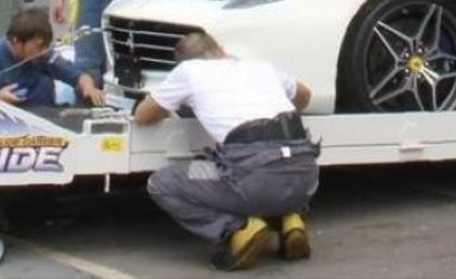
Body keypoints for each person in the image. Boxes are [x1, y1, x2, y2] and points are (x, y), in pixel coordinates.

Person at [134, 31, 320, 271]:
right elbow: (304, 95)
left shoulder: (188, 71)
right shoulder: (260, 67)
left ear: (185, 62)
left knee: (163, 182)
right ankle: (290, 220)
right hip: (306, 177)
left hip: (252, 176)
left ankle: (238, 229)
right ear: (220, 49)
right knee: (274, 169)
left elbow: (143, 115)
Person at [0, 9, 106, 109]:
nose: (44, 51)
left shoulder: (45, 56)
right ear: (16, 41)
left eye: (46, 45)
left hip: (45, 120)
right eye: (39, 45)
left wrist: (89, 88)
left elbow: (79, 75)